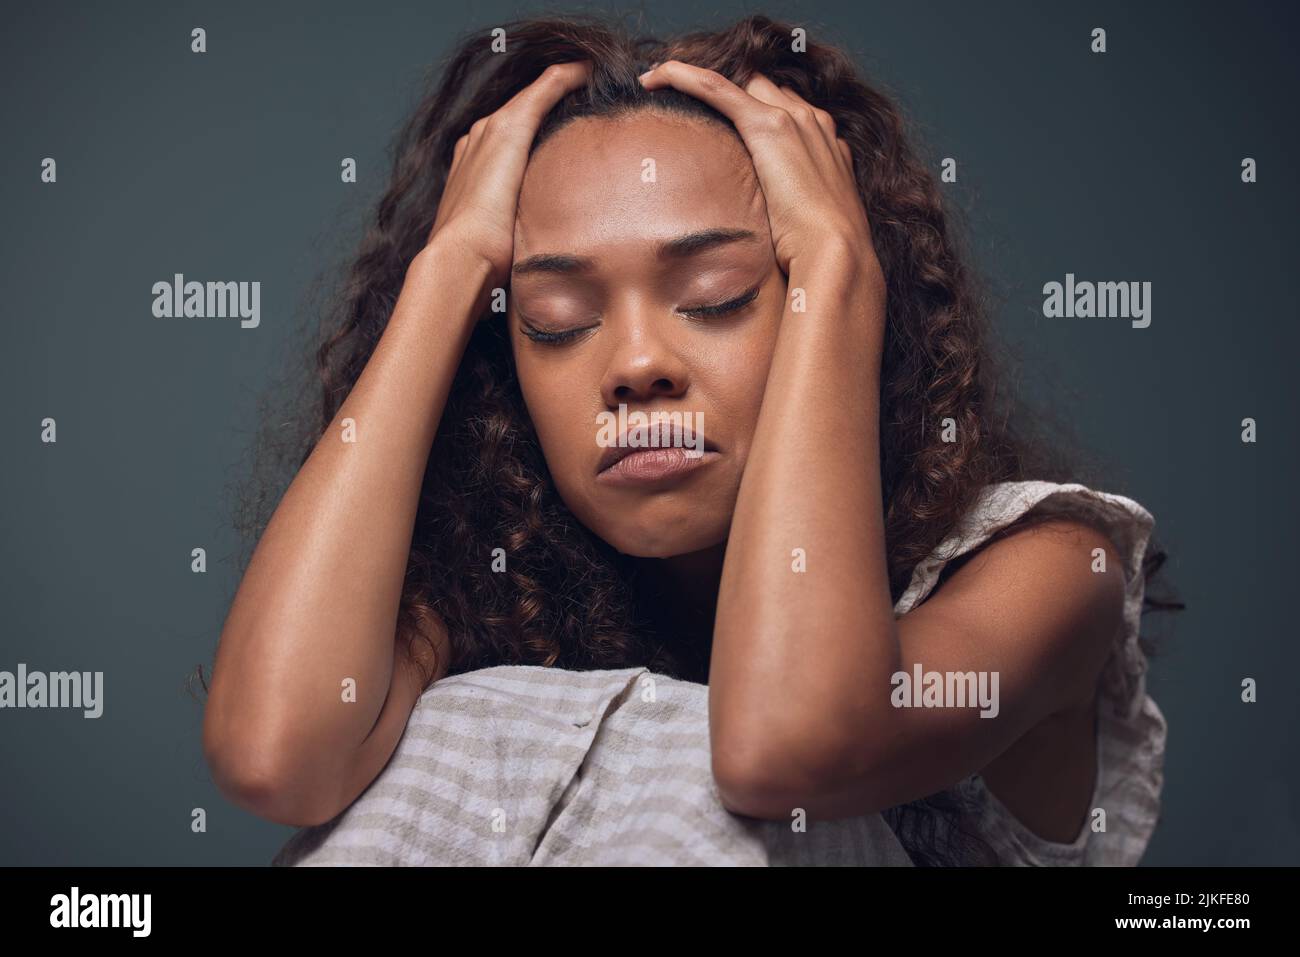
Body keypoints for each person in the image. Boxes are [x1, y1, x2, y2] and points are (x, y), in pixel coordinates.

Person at [200, 13, 1183, 866]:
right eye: (553, 317)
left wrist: (838, 268)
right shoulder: (488, 590)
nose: (635, 363)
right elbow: (275, 754)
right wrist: (446, 271)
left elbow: (789, 745)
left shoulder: (1050, 568)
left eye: (716, 298)